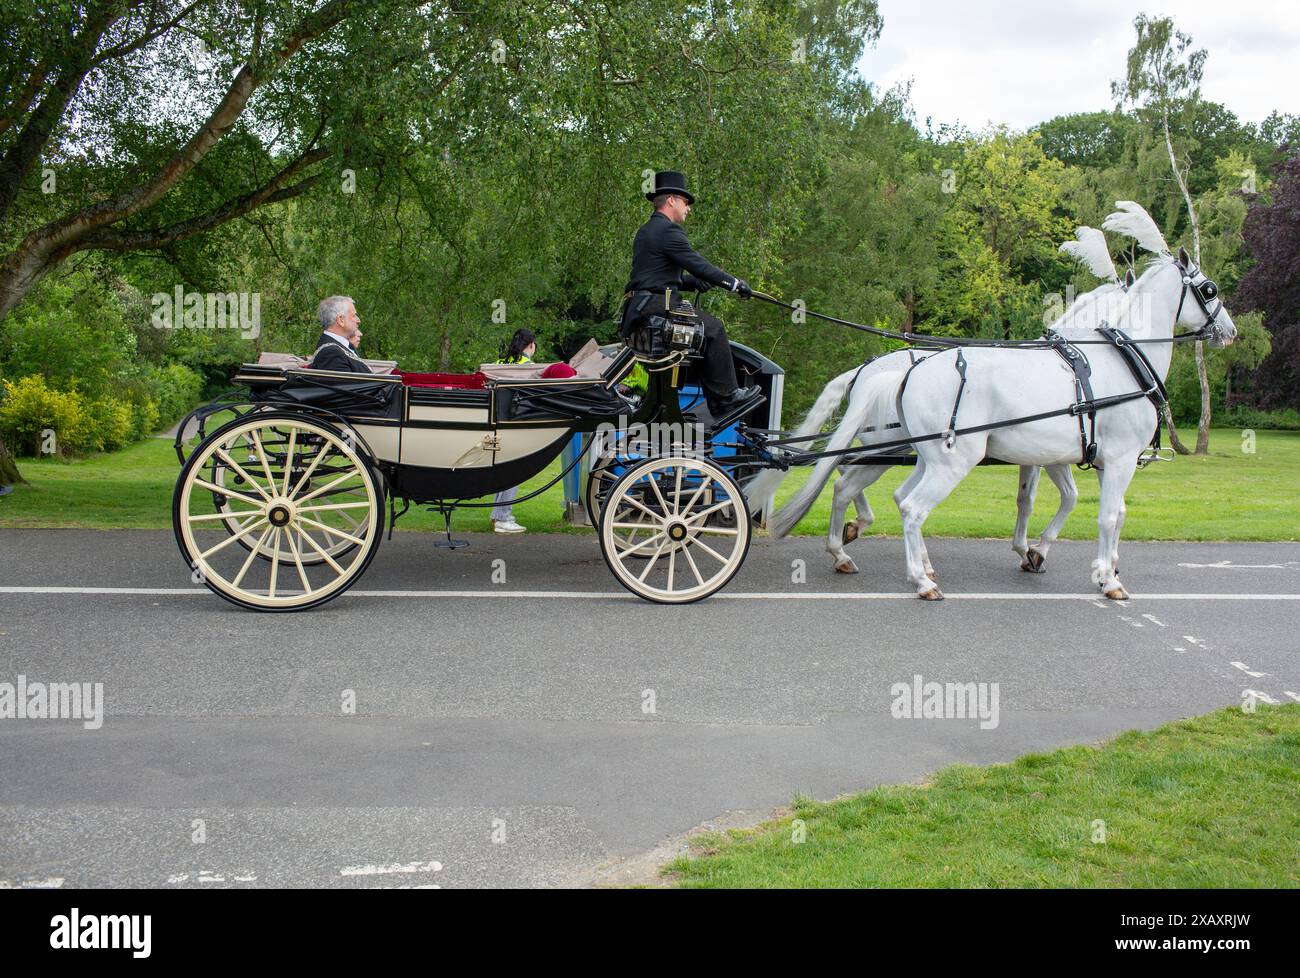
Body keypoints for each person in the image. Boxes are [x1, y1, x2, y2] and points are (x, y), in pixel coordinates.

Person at [620, 170, 760, 417]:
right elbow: (699, 263)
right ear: (672, 200)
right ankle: (725, 399)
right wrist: (735, 284)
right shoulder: (668, 231)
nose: (689, 208)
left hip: (638, 308)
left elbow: (653, 276)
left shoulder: (647, 230)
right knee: (714, 329)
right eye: (686, 202)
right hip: (655, 307)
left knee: (705, 328)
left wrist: (691, 283)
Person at [490, 328, 537, 534]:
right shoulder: (528, 367)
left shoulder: (499, 364)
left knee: (504, 472)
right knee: (515, 473)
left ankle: (497, 515)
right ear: (531, 345)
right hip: (516, 424)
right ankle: (503, 517)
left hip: (496, 423)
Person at [311, 295, 371, 373]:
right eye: (354, 315)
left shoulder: (337, 348)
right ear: (341, 320)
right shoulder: (331, 353)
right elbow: (350, 385)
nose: (358, 320)